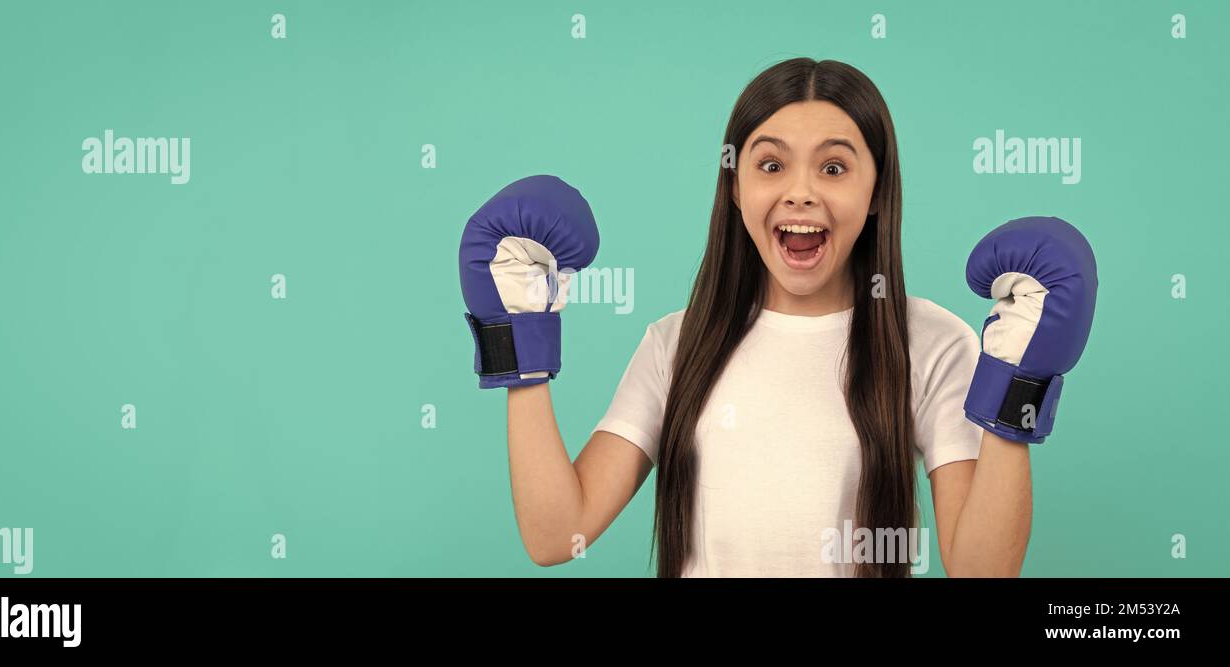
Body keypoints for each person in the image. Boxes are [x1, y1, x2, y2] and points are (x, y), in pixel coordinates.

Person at [458, 57, 1097, 577]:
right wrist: (518, 340)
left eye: (834, 167)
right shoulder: (677, 344)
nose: (800, 191)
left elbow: (982, 572)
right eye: (770, 164)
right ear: (736, 189)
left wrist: (1020, 379)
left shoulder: (927, 342)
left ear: (876, 193)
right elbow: (553, 535)